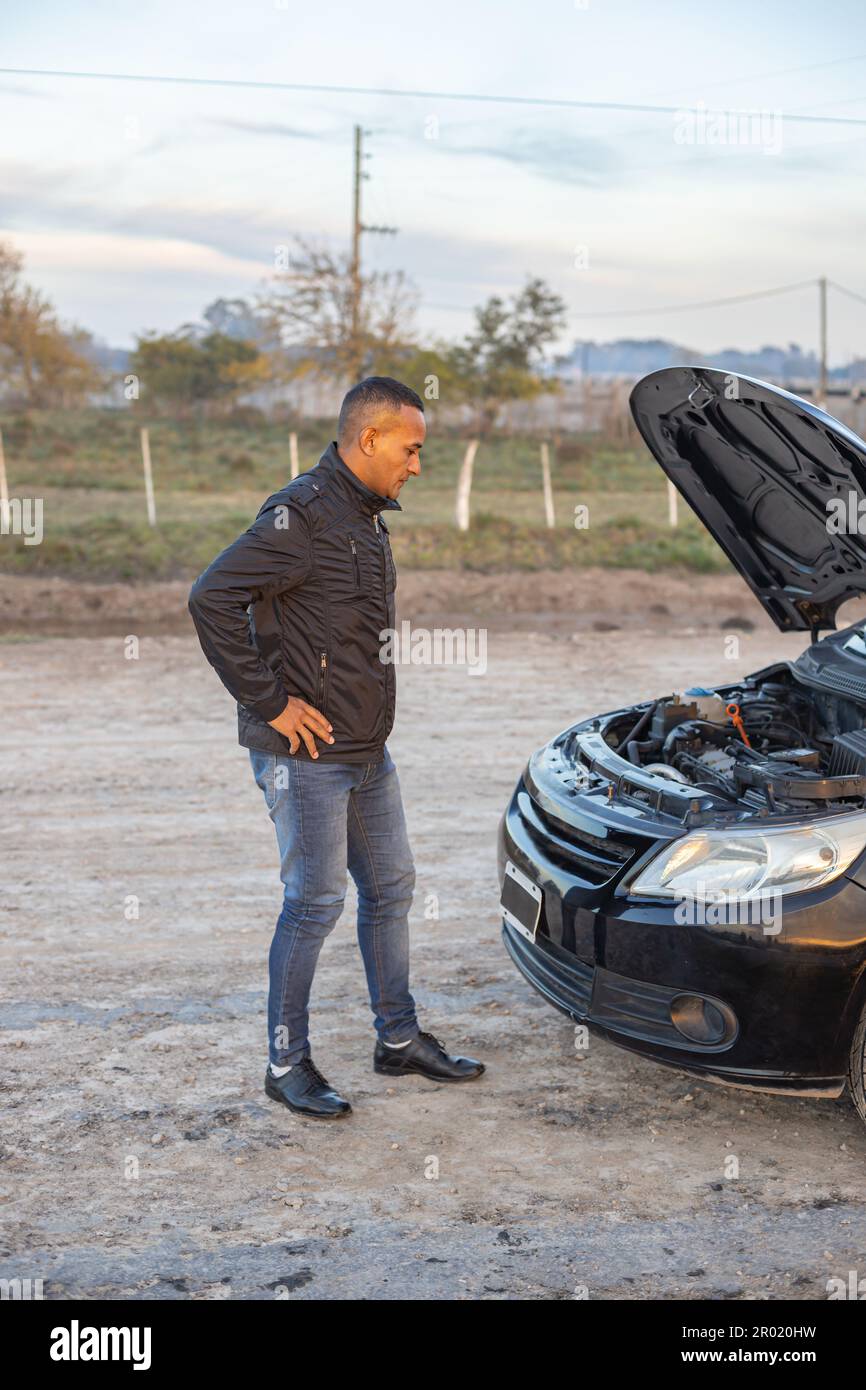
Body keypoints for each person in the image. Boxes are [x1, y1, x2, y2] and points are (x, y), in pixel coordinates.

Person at [188, 376, 485, 1119]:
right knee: (314, 902)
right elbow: (211, 596)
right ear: (370, 439)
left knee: (390, 889)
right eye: (411, 449)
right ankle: (286, 1063)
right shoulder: (301, 516)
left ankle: (398, 1040)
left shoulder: (365, 515)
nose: (417, 465)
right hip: (304, 756)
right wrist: (270, 702)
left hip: (364, 750)